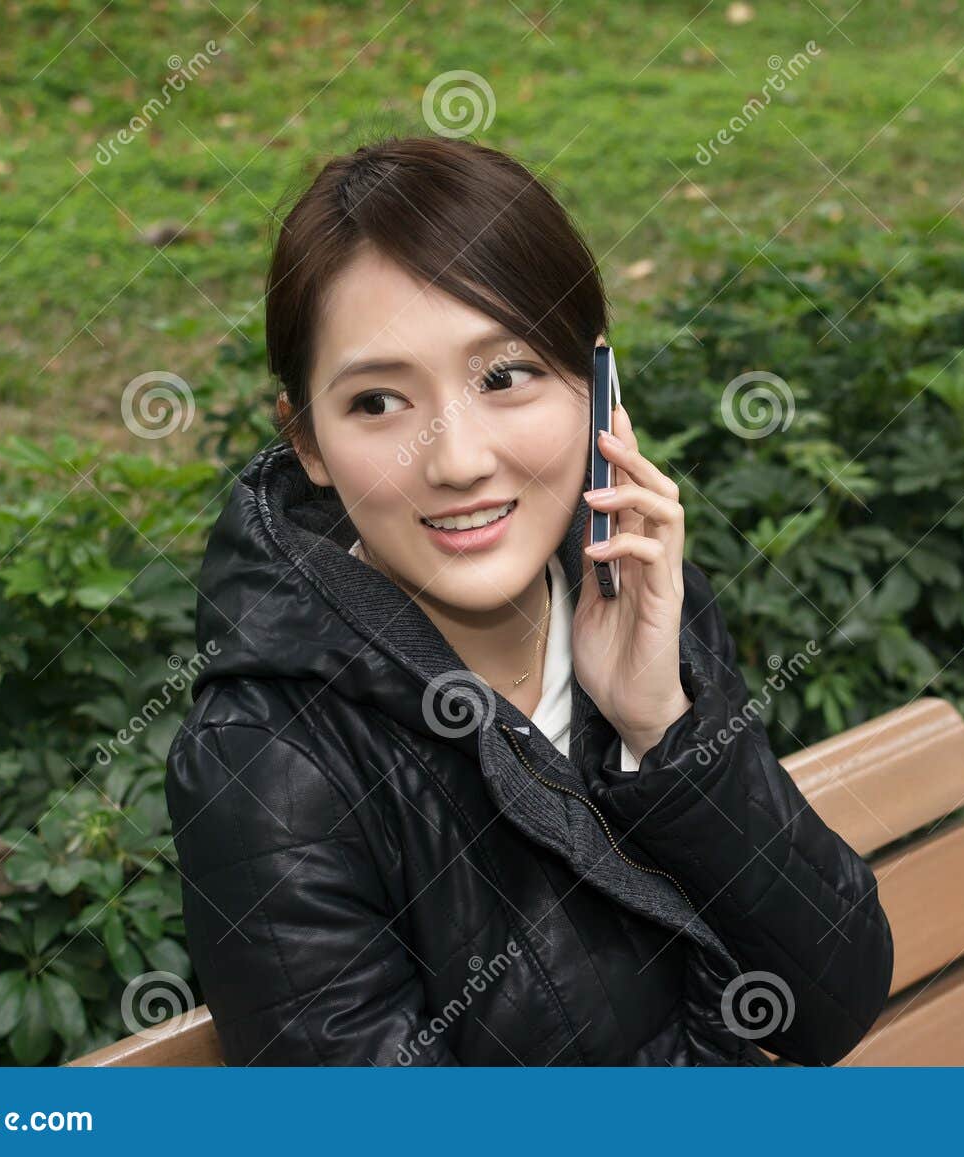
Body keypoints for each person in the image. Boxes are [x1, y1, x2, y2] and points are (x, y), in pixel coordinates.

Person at [164, 134, 894, 1065]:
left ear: (599, 390)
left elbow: (830, 1001)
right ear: (305, 442)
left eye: (505, 377)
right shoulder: (268, 767)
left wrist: (663, 728)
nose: (458, 459)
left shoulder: (644, 611)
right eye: (378, 403)